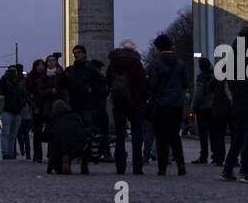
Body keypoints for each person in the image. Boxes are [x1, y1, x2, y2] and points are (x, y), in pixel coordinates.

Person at [222, 25, 248, 183]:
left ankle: (227, 169)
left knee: (238, 137)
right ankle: (246, 171)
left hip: (237, 100)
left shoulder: (232, 54)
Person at [146, 34, 190, 176]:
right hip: (177, 103)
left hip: (161, 104)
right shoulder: (180, 63)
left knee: (160, 137)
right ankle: (181, 164)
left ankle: (162, 167)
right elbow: (185, 84)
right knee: (174, 136)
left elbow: (152, 85)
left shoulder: (155, 63)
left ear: (158, 47)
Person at [107, 39, 150, 174]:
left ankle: (120, 167)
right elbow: (143, 84)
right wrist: (143, 98)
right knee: (137, 136)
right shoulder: (137, 63)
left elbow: (108, 80)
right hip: (136, 103)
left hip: (119, 102)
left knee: (120, 135)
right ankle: (137, 167)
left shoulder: (113, 63)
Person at [64, 45, 106, 162]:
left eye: (78, 52)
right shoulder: (70, 70)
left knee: (87, 130)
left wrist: (92, 90)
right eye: (74, 52)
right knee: (73, 131)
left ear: (84, 54)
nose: (76, 54)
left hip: (86, 105)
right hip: (72, 105)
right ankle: (75, 154)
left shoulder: (90, 68)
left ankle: (88, 154)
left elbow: (102, 81)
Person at [26, 56, 64, 163]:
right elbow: (29, 94)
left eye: (42, 65)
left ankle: (50, 154)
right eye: (38, 65)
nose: (41, 67)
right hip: (37, 106)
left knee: (51, 131)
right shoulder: (32, 78)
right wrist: (34, 106)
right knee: (37, 132)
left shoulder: (51, 75)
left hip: (48, 106)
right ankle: (37, 155)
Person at [45, 99, 91, 174]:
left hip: (59, 148)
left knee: (53, 143)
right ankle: (84, 166)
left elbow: (45, 137)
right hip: (77, 147)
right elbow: (83, 129)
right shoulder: (75, 115)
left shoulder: (52, 119)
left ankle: (59, 163)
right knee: (84, 143)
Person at [188, 57, 218, 165]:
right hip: (213, 107)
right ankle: (216, 155)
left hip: (203, 109)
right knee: (213, 133)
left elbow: (198, 95)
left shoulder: (201, 78)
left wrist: (192, 108)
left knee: (203, 134)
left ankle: (203, 156)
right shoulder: (214, 76)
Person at [0, 64, 28, 160]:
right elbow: (0, 87)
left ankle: (10, 153)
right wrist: (4, 76)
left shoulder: (19, 84)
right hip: (7, 111)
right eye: (11, 71)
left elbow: (24, 95)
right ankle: (6, 153)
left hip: (17, 112)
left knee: (13, 134)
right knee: (6, 133)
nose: (12, 73)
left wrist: (22, 103)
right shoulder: (5, 82)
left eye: (14, 71)